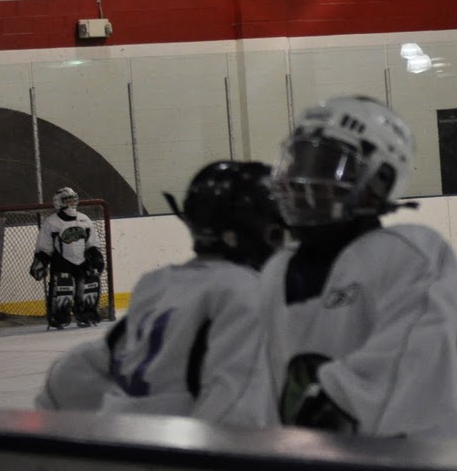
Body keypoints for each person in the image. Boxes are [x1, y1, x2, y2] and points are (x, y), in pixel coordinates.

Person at [259, 95, 457, 439]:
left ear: (380, 181)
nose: (302, 183)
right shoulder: (275, 270)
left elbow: (410, 377)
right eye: (298, 164)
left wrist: (325, 404)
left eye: (323, 167)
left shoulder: (409, 254)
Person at [37, 160, 284, 422]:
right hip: (172, 455)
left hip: (127, 441)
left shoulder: (157, 283)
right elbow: (234, 414)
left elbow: (67, 380)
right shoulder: (246, 292)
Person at [29, 186, 105, 329]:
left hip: (82, 262)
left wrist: (96, 256)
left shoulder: (85, 219)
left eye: (72, 199)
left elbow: (92, 243)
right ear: (58, 202)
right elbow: (45, 246)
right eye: (67, 200)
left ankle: (86, 314)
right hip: (61, 263)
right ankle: (59, 317)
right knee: (64, 286)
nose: (71, 203)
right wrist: (41, 261)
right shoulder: (51, 222)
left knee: (91, 283)